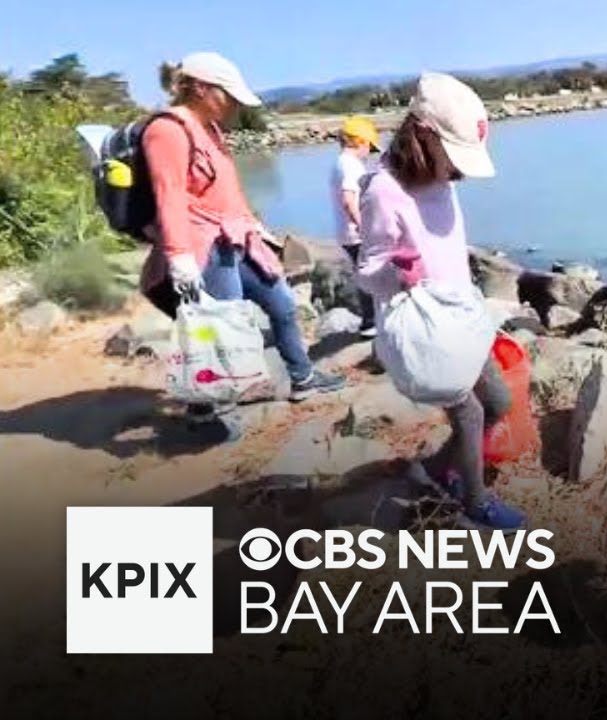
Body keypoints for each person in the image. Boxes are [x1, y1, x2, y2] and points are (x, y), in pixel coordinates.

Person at [139, 51, 346, 440]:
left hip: (237, 240)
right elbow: (169, 198)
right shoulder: (166, 130)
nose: (233, 105)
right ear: (200, 89)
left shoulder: (211, 129)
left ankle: (302, 378)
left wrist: (258, 231)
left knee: (282, 304)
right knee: (221, 331)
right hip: (204, 247)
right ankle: (204, 411)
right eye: (227, 96)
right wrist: (180, 258)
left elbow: (225, 190)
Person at [355, 71, 526, 533]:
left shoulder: (440, 177)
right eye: (456, 158)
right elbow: (367, 274)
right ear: (425, 138)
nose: (461, 171)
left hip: (461, 315)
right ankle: (474, 504)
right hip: (427, 327)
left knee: (497, 401)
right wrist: (399, 272)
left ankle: (434, 471)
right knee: (469, 413)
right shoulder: (383, 191)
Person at [331, 115, 379, 337]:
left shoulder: (339, 163)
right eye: (370, 146)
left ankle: (369, 321)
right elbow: (349, 200)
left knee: (363, 274)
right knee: (371, 275)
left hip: (346, 233)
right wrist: (363, 227)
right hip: (357, 233)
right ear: (359, 141)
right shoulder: (351, 165)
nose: (369, 152)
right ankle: (372, 322)